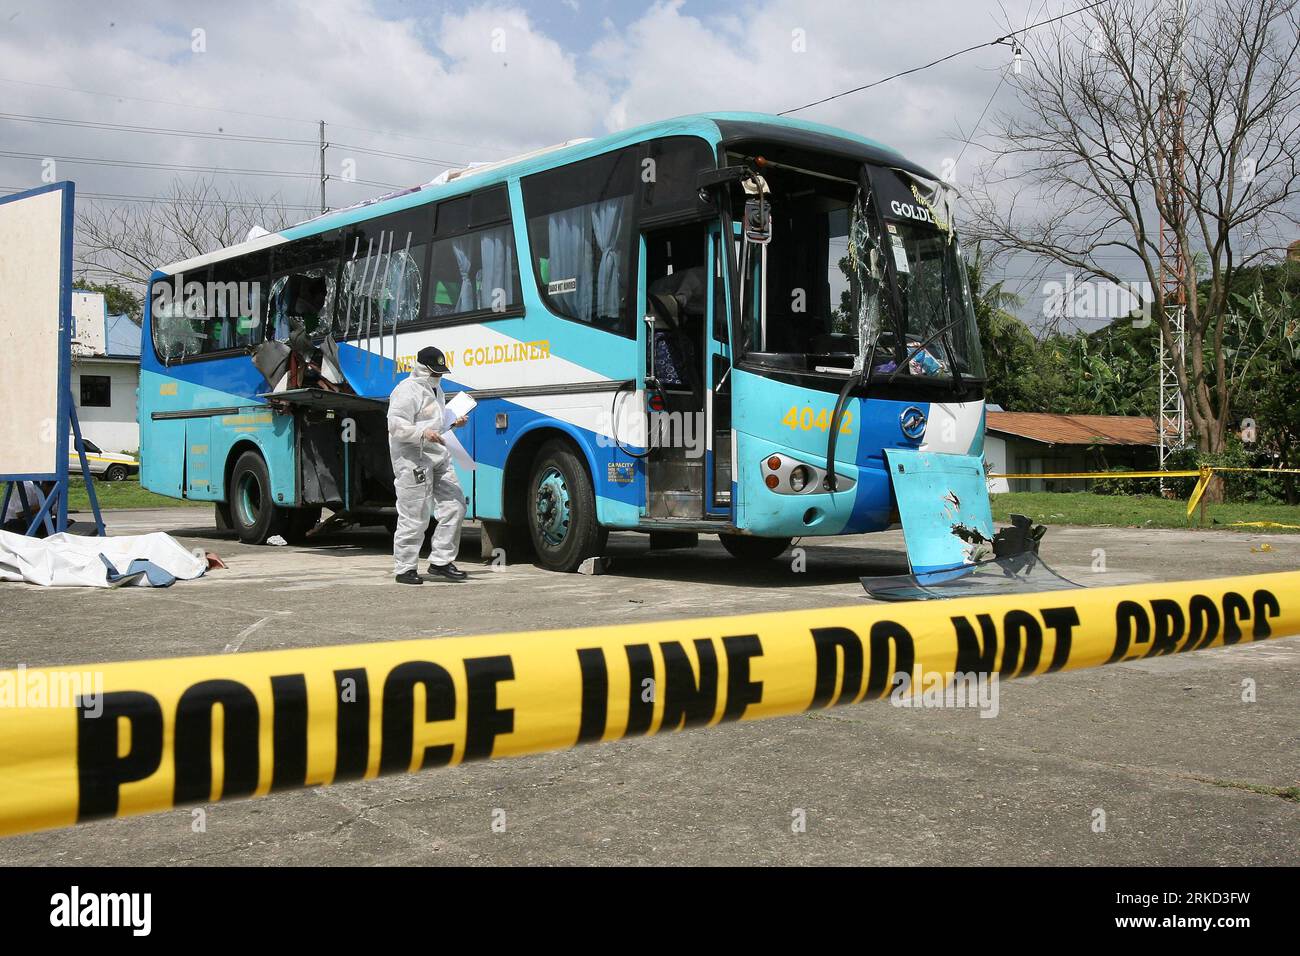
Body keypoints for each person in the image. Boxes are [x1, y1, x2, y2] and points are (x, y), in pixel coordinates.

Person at [387, 346, 469, 584]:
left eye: (441, 373)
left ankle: (441, 562)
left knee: (455, 505)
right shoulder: (406, 390)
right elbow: (396, 425)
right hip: (413, 458)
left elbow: (436, 424)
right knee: (415, 514)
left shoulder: (437, 390)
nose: (439, 376)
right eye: (435, 372)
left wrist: (453, 423)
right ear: (422, 368)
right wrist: (422, 433)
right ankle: (405, 568)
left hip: (439, 454)